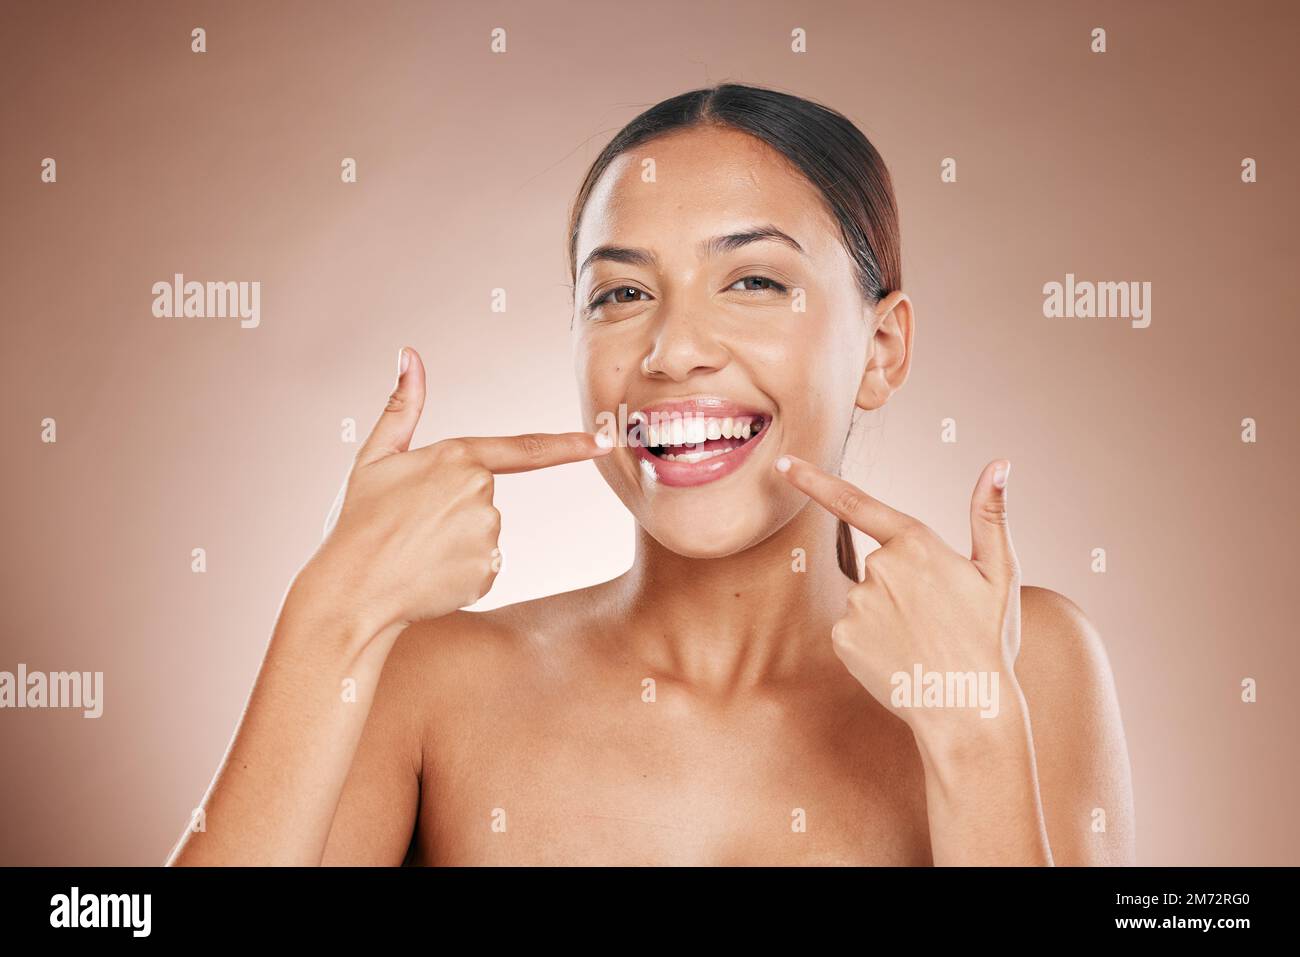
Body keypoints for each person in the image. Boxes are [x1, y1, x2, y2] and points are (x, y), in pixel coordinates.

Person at [167, 83, 1135, 866]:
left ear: (881, 348)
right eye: (622, 294)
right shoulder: (423, 684)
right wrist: (332, 609)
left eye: (752, 280)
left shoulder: (1021, 660)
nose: (673, 350)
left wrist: (973, 742)